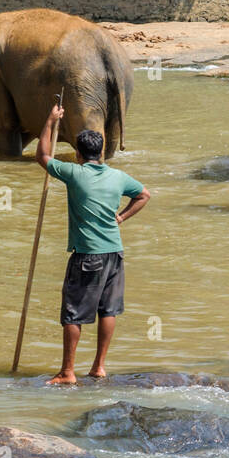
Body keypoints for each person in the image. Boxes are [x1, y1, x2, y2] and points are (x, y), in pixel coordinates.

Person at [34, 103, 150, 385]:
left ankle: (67, 372)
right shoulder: (118, 176)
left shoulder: (75, 174)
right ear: (100, 152)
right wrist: (120, 217)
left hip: (87, 255)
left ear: (77, 154)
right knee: (107, 310)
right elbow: (144, 194)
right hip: (114, 252)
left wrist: (50, 121)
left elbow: (43, 155)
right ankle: (99, 367)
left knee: (72, 313)